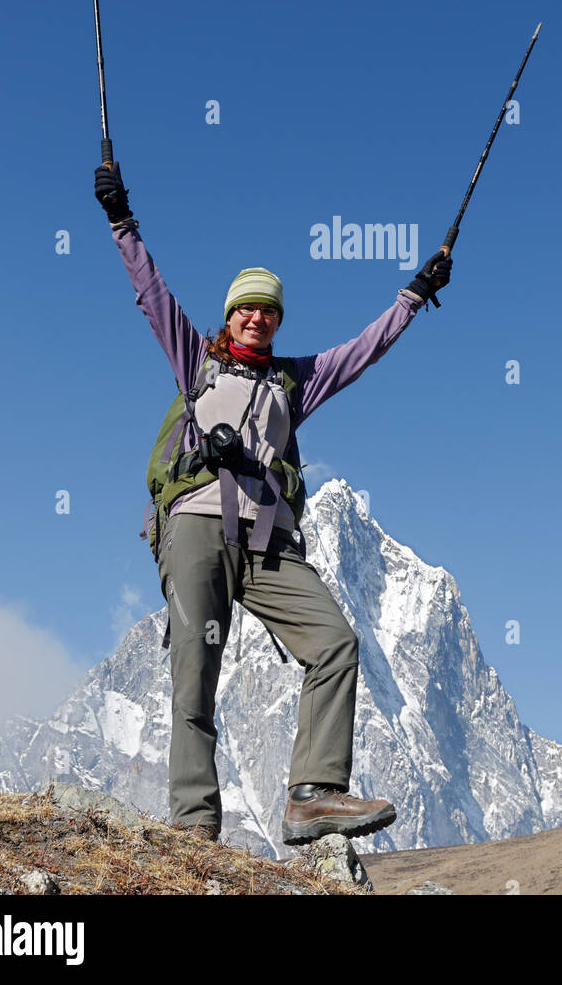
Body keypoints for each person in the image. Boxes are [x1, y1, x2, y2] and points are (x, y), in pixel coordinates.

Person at [94, 160, 451, 847]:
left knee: (335, 644)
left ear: (277, 322)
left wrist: (412, 294)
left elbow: (363, 350)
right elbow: (151, 292)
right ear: (229, 315)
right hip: (196, 528)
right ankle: (195, 829)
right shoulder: (195, 357)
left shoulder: (295, 382)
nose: (257, 318)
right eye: (246, 308)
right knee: (195, 675)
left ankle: (312, 794)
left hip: (268, 545)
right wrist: (120, 220)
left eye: (269, 311)